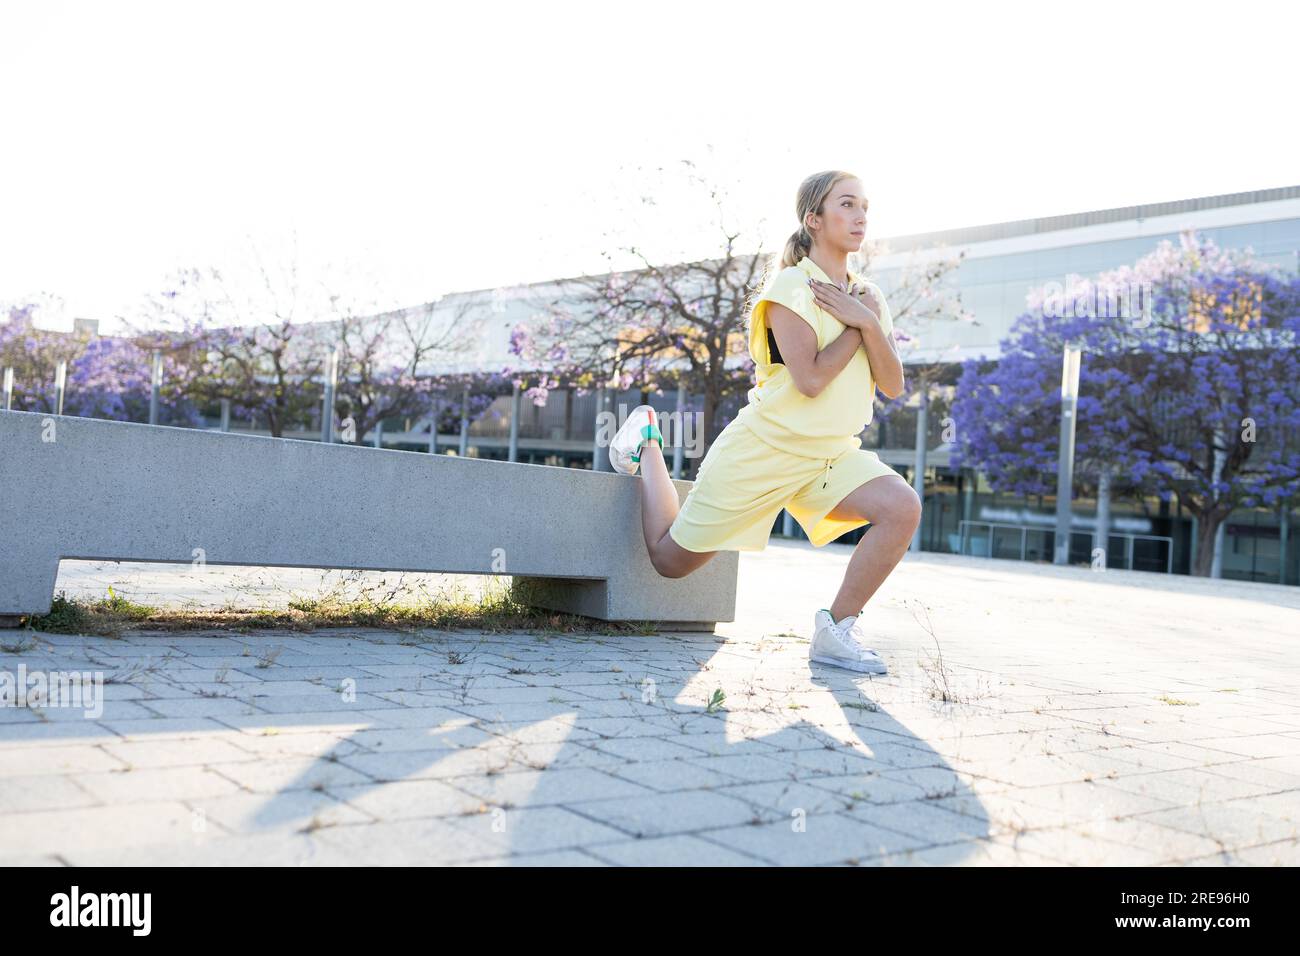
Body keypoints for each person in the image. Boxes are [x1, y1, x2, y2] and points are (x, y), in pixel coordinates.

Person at [609, 170, 921, 673]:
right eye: (847, 205)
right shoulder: (790, 287)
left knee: (902, 507)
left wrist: (864, 318)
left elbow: (892, 383)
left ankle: (835, 629)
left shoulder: (868, 297)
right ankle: (646, 441)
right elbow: (812, 380)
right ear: (814, 219)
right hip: (766, 447)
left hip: (829, 453)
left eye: (865, 205)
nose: (861, 215)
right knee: (669, 561)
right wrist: (855, 325)